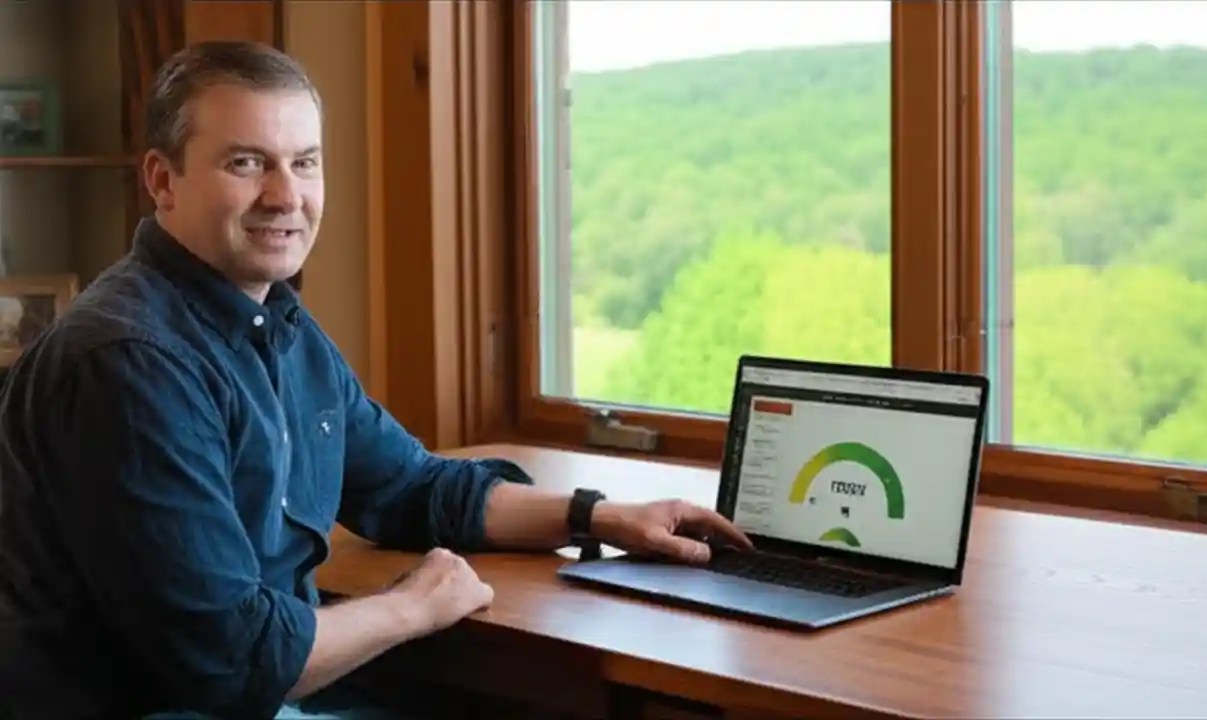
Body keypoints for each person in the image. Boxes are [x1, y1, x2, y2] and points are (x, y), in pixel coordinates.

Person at [0, 41, 750, 720]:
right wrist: (411, 610)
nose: (285, 195)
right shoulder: (132, 362)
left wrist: (603, 517)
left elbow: (412, 487)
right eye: (246, 162)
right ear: (163, 181)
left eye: (305, 161)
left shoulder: (277, 329)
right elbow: (233, 663)